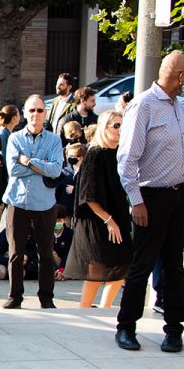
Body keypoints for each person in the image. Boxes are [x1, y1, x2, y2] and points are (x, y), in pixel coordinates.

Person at [115, 51, 184, 353]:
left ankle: (173, 329)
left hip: (177, 195)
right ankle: (126, 327)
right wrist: (136, 200)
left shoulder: (180, 110)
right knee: (142, 264)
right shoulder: (144, 106)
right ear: (179, 76)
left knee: (175, 266)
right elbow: (127, 159)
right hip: (150, 197)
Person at [2, 94, 64, 310]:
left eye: (39, 110)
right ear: (24, 113)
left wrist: (27, 160)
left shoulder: (54, 140)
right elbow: (13, 170)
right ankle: (15, 296)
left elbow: (56, 170)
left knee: (46, 254)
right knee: (16, 253)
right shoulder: (15, 138)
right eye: (31, 110)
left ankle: (46, 297)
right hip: (17, 201)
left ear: (45, 113)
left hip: (45, 203)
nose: (35, 114)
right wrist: (41, 165)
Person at [70, 110, 131, 308]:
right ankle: (84, 308)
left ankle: (105, 308)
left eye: (123, 125)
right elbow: (88, 196)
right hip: (96, 220)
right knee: (97, 267)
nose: (120, 129)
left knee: (123, 264)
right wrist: (109, 221)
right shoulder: (94, 154)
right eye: (116, 125)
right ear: (105, 128)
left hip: (118, 215)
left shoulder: (121, 154)